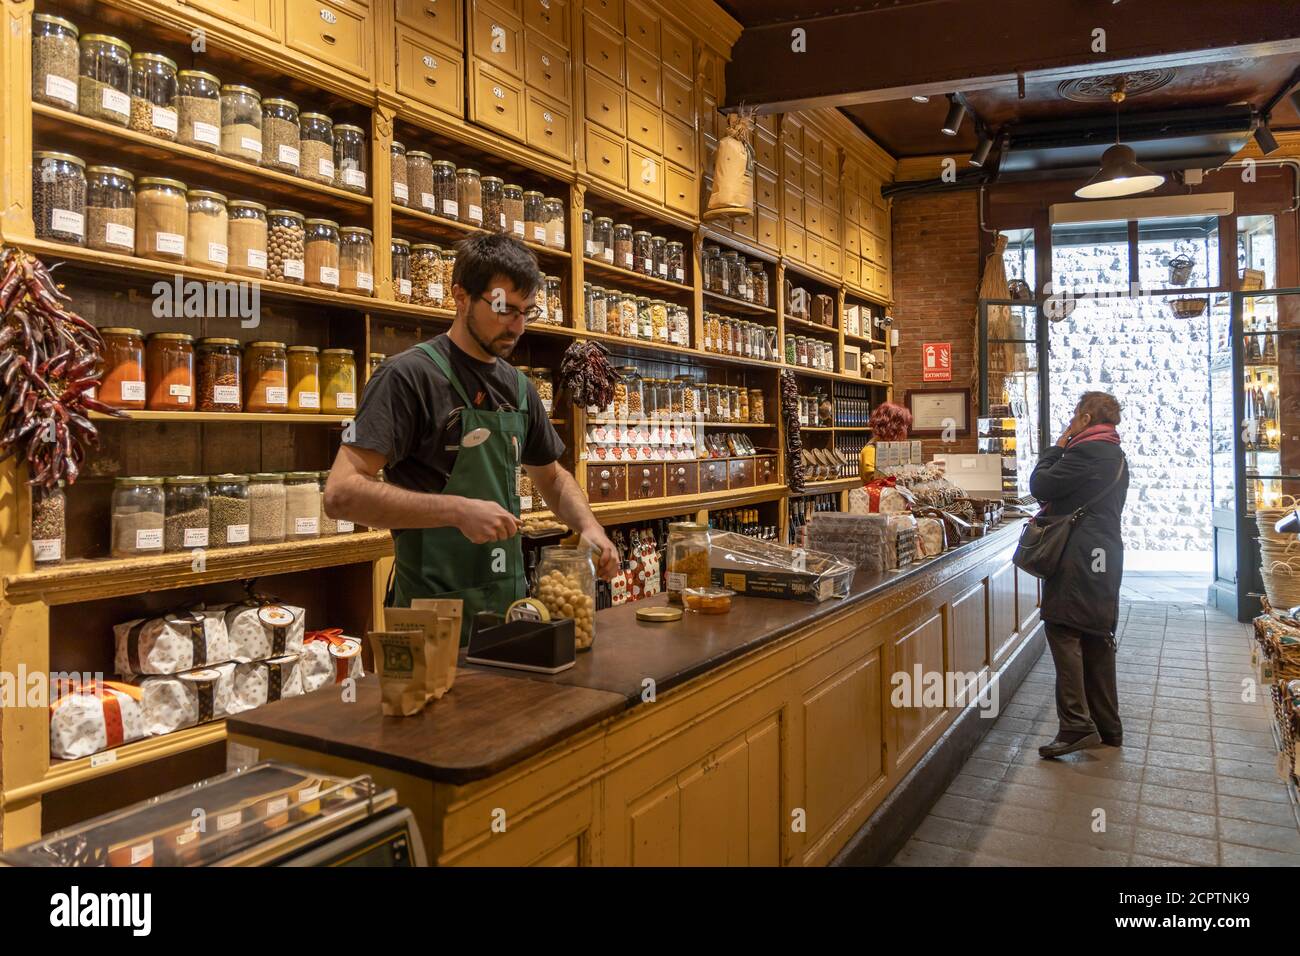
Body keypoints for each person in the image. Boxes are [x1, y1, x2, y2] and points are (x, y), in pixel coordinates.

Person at [324, 233, 618, 644]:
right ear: (460, 296)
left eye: (526, 312)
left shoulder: (519, 388)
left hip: (507, 607)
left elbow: (551, 477)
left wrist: (589, 526)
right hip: (430, 615)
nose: (516, 326)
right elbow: (341, 495)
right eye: (503, 309)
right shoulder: (406, 377)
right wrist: (457, 510)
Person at [1030, 391, 1129, 758]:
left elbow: (1040, 485)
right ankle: (1107, 726)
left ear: (1085, 419)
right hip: (1104, 553)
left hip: (1080, 555)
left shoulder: (1085, 452)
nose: (1070, 420)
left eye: (1074, 415)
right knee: (1095, 633)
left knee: (1062, 626)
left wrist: (1056, 447)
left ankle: (1075, 725)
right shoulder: (1115, 452)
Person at [858, 401, 912, 482]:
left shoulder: (892, 447)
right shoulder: (870, 450)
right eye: (904, 425)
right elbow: (876, 481)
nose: (906, 429)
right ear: (892, 426)